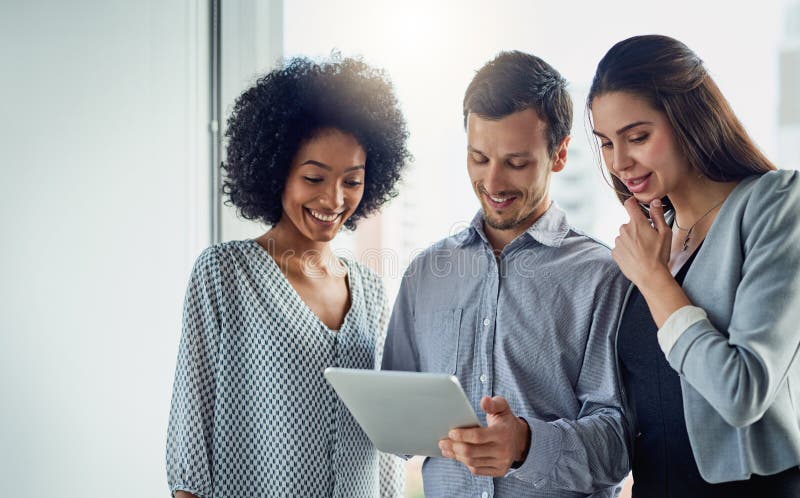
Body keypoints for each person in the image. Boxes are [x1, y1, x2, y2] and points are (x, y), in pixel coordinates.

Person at [382, 51, 631, 498]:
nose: (493, 183)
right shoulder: (425, 274)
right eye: (479, 158)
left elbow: (621, 444)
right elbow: (397, 425)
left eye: (516, 163)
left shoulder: (603, 276)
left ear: (559, 155)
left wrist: (525, 445)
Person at [165, 56, 411, 498]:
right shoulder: (224, 275)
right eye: (314, 177)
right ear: (276, 171)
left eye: (352, 181)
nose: (333, 199)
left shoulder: (371, 290)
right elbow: (191, 431)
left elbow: (385, 445)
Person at [588, 34, 800, 497]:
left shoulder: (776, 204)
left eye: (638, 136)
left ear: (688, 118)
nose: (620, 162)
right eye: (605, 143)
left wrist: (653, 279)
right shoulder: (652, 239)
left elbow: (741, 392)